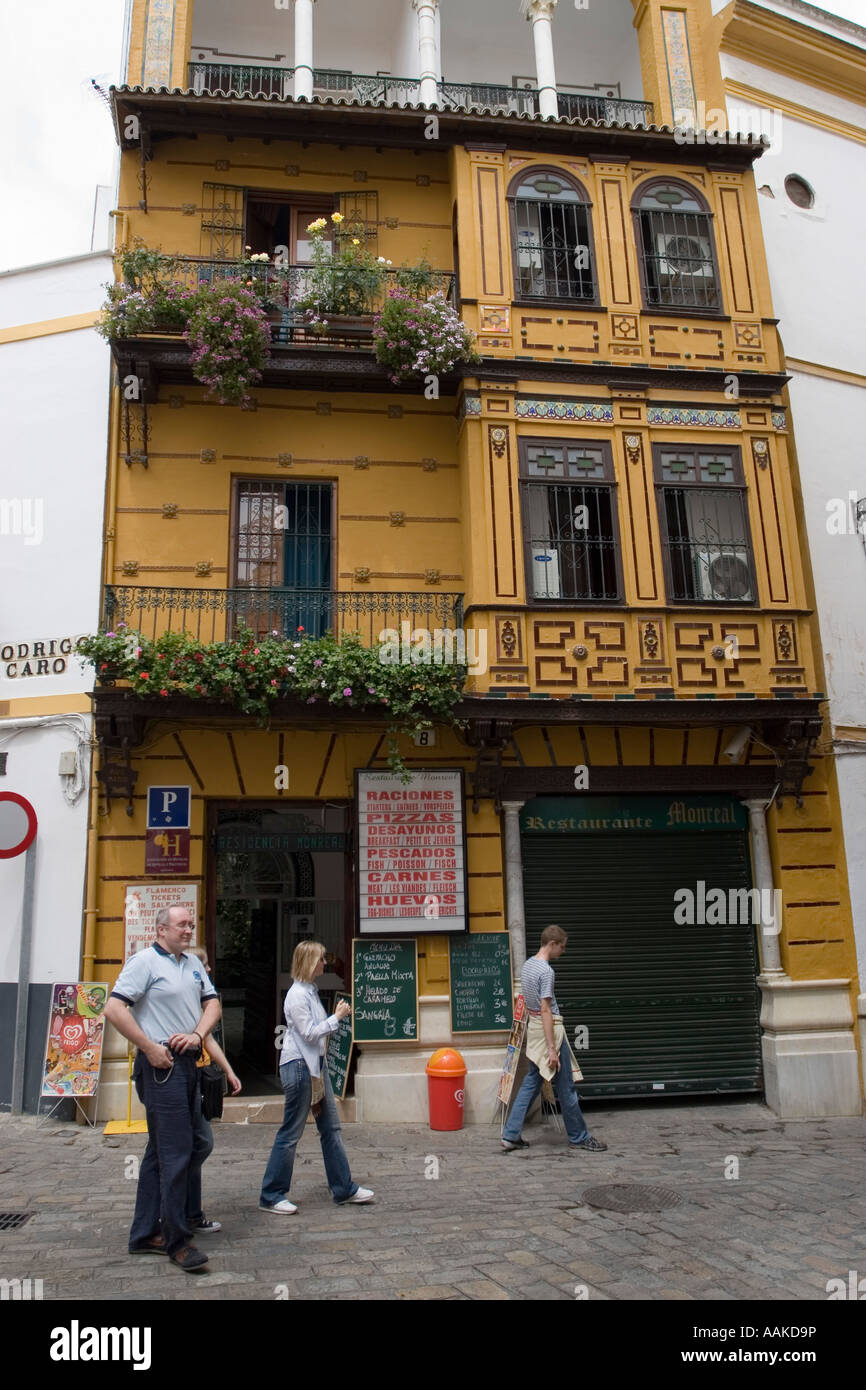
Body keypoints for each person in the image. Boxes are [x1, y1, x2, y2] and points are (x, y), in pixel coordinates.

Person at [104, 905, 221, 1272]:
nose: (189, 929)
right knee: (177, 1152)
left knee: (160, 1151)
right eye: (183, 924)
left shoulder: (192, 964)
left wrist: (198, 1035)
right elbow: (114, 1009)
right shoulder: (144, 963)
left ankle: (143, 1234)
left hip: (187, 1062)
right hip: (162, 1067)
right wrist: (151, 1048)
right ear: (161, 929)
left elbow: (213, 1003)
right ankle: (177, 1241)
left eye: (191, 923)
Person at [260, 940, 373, 1213]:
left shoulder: (310, 990)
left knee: (330, 1129)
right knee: (291, 1131)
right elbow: (309, 1033)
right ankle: (272, 1194)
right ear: (310, 962)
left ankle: (343, 1188)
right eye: (321, 959)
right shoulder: (297, 995)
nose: (325, 963)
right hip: (299, 1067)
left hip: (314, 1067)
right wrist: (336, 1017)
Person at [501, 924, 607, 1154]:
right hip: (550, 1032)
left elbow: (530, 1004)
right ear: (552, 944)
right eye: (562, 946)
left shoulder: (529, 965)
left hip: (535, 1029)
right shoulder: (547, 972)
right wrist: (552, 1049)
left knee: (531, 1082)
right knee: (566, 1086)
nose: (563, 951)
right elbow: (546, 1009)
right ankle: (579, 1136)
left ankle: (510, 1135)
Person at [186, 945, 242, 1235]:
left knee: (196, 1144)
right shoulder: (185, 1001)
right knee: (199, 1144)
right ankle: (182, 1208)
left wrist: (228, 1071)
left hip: (201, 1078)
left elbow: (207, 1039)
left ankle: (192, 1213)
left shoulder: (200, 1000)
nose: (209, 969)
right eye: (204, 964)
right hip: (185, 1080)